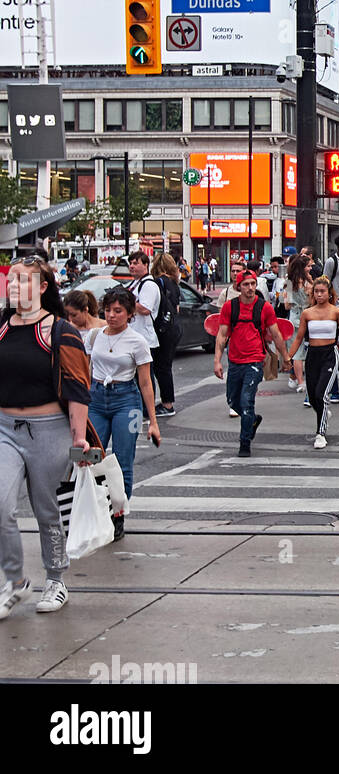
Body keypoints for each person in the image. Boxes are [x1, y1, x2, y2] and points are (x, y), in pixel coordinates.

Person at [0, 254, 92, 619]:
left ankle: (55, 579)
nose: (14, 285)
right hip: (5, 428)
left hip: (48, 430)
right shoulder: (1, 326)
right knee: (1, 507)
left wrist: (78, 440)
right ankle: (15, 581)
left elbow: (78, 389)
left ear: (42, 288)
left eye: (23, 280)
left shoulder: (60, 331)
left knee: (45, 510)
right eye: (11, 279)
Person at [87, 286, 160, 540]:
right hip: (96, 400)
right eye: (107, 310)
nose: (111, 315)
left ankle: (117, 515)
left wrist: (152, 420)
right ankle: (96, 511)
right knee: (91, 457)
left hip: (126, 401)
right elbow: (85, 372)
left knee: (122, 461)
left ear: (130, 314)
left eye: (118, 311)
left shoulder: (137, 342)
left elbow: (145, 383)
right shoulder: (95, 336)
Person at [213, 268, 291, 458]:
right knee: (232, 400)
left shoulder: (264, 308)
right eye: (246, 284)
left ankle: (244, 441)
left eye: (253, 284)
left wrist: (285, 357)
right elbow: (222, 335)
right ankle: (253, 421)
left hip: (255, 360)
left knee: (247, 401)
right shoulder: (229, 307)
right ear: (238, 286)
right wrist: (217, 361)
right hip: (235, 360)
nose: (250, 288)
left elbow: (276, 334)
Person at [286, 277, 339, 450]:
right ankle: (322, 412)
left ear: (329, 293)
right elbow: (299, 337)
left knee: (321, 393)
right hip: (312, 354)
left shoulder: (336, 312)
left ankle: (320, 433)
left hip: (330, 353)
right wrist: (288, 357)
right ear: (313, 293)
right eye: (317, 291)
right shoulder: (308, 313)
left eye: (323, 291)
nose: (320, 294)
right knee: (313, 395)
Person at [148, 251, 181, 418]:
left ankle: (167, 404)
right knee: (165, 367)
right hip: (172, 328)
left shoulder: (158, 282)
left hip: (162, 329)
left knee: (160, 367)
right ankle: (167, 402)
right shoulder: (174, 283)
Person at [124, 248, 160, 358]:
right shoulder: (135, 283)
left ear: (146, 265)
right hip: (132, 337)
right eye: (130, 263)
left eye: (135, 263)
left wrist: (125, 301)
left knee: (145, 374)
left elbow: (145, 309)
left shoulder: (149, 285)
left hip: (144, 340)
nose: (131, 266)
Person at [284, 253, 311, 394]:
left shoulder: (289, 283)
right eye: (308, 266)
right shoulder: (308, 284)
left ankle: (299, 381)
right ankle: (301, 379)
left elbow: (286, 305)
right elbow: (312, 301)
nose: (310, 268)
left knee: (297, 353)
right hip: (309, 318)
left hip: (294, 318)